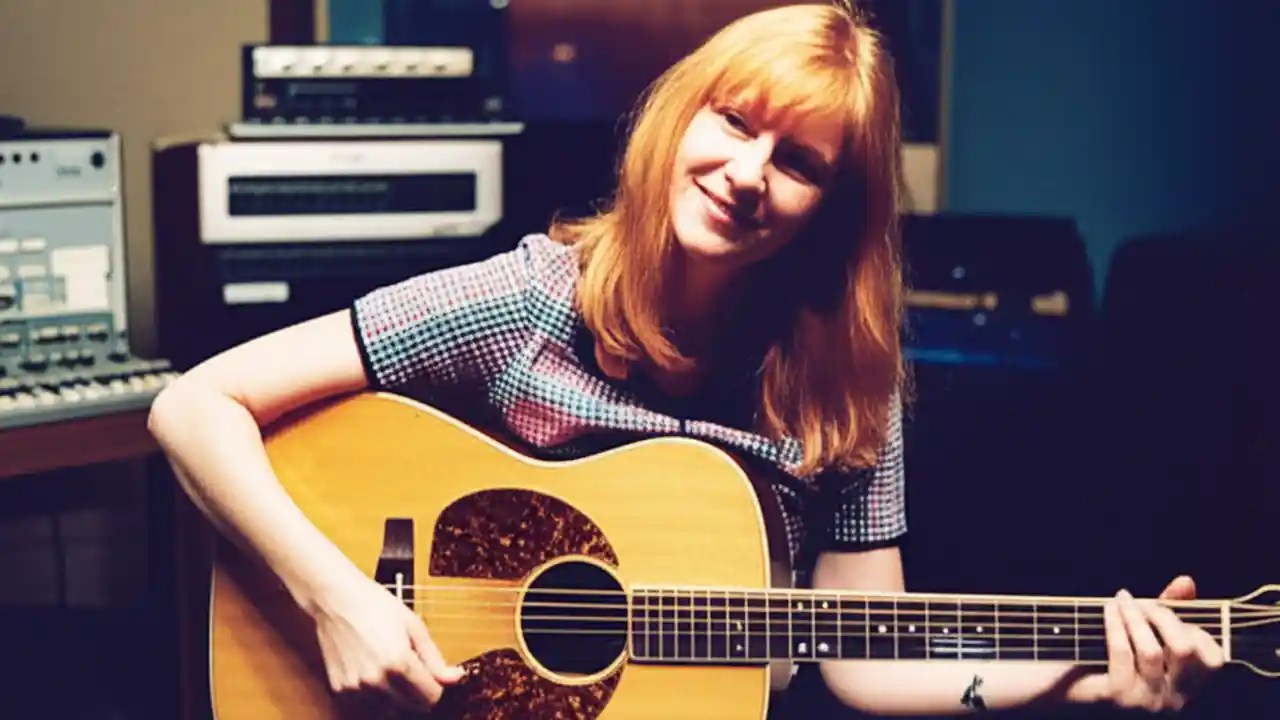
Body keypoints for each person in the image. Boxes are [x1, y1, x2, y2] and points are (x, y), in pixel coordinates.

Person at [147, 1, 1223, 716]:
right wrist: (337, 596)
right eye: (735, 121)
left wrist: (1076, 672)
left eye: (797, 162)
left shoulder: (847, 381)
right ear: (681, 117)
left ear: (827, 210)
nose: (749, 173)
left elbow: (859, 653)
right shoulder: (523, 300)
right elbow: (194, 407)